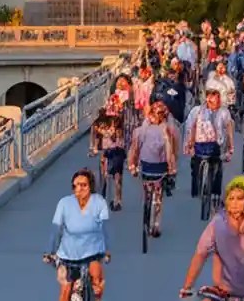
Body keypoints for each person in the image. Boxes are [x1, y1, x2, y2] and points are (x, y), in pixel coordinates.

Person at [180, 176, 244, 301]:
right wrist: (187, 287)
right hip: (221, 293)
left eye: (240, 199)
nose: (234, 203)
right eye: (231, 198)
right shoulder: (218, 223)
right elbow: (200, 254)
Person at [45, 168, 111, 301]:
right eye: (76, 185)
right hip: (68, 256)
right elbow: (56, 229)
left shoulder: (99, 203)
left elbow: (104, 229)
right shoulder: (64, 203)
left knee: (96, 281)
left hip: (92, 254)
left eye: (83, 185)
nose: (79, 189)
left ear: (90, 187)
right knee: (65, 288)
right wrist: (50, 252)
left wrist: (107, 250)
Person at [128, 101, 178, 236]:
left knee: (147, 188)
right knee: (158, 194)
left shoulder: (140, 130)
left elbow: (134, 149)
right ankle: (156, 223)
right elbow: (170, 152)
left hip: (146, 166)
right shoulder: (166, 130)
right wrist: (172, 167)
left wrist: (132, 165)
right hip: (159, 168)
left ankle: (148, 206)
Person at [185, 86, 235, 200]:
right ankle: (195, 189)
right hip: (199, 145)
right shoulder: (197, 111)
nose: (213, 100)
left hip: (217, 146)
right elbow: (192, 127)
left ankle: (215, 194)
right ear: (207, 98)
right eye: (210, 97)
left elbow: (229, 128)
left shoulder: (224, 112)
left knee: (218, 168)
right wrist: (190, 143)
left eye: (216, 97)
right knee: (195, 165)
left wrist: (231, 146)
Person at [88, 114, 126, 210]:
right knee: (118, 179)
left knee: (110, 175)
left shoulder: (106, 131)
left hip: (112, 154)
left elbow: (97, 136)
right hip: (117, 155)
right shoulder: (121, 132)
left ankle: (110, 195)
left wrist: (94, 149)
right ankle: (118, 200)